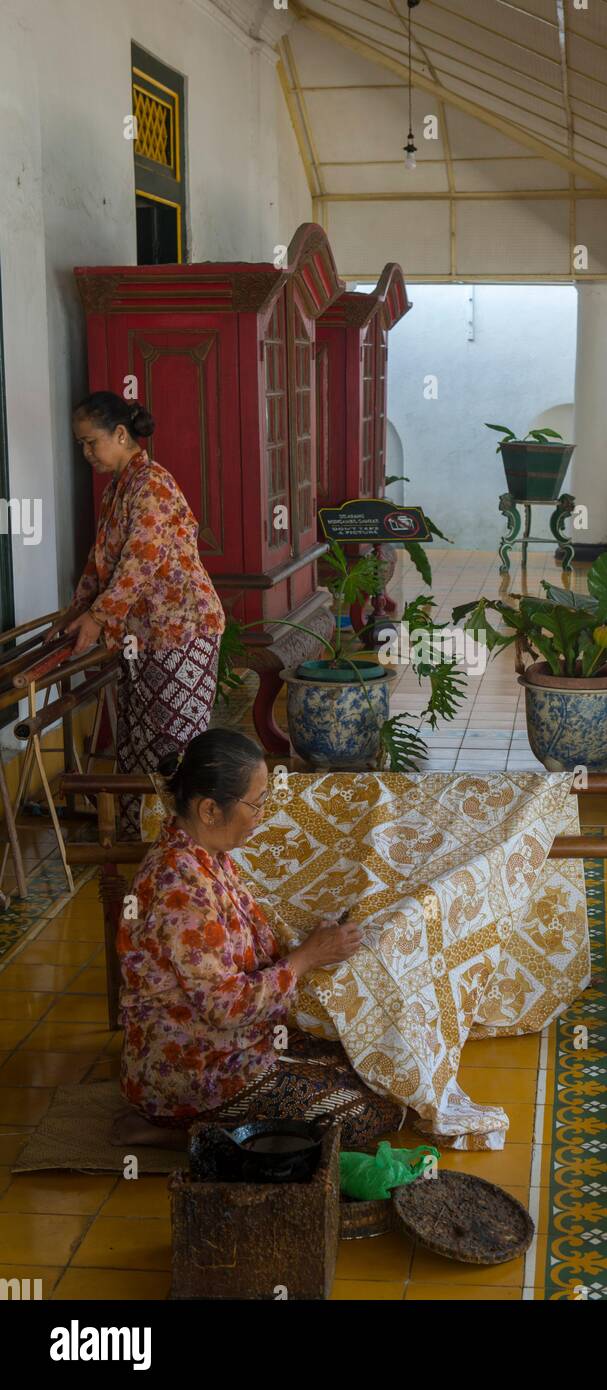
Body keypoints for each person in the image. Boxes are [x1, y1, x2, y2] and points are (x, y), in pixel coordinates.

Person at [112, 728, 401, 1148]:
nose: (262, 813)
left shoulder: (205, 857)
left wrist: (314, 945)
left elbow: (248, 945)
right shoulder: (178, 887)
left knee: (369, 1067)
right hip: (194, 1071)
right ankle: (176, 1132)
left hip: (231, 1042)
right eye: (258, 802)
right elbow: (225, 1007)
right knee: (367, 1114)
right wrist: (304, 959)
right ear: (210, 809)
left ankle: (203, 1129)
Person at [56, 392, 226, 838]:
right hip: (143, 635)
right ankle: (144, 843)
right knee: (137, 744)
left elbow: (140, 562)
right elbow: (102, 561)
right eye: (80, 446)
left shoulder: (152, 485)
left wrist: (96, 618)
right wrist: (77, 611)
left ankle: (185, 846)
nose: (87, 453)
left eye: (91, 443)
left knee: (173, 745)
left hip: (182, 632)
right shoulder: (118, 488)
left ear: (120, 434)